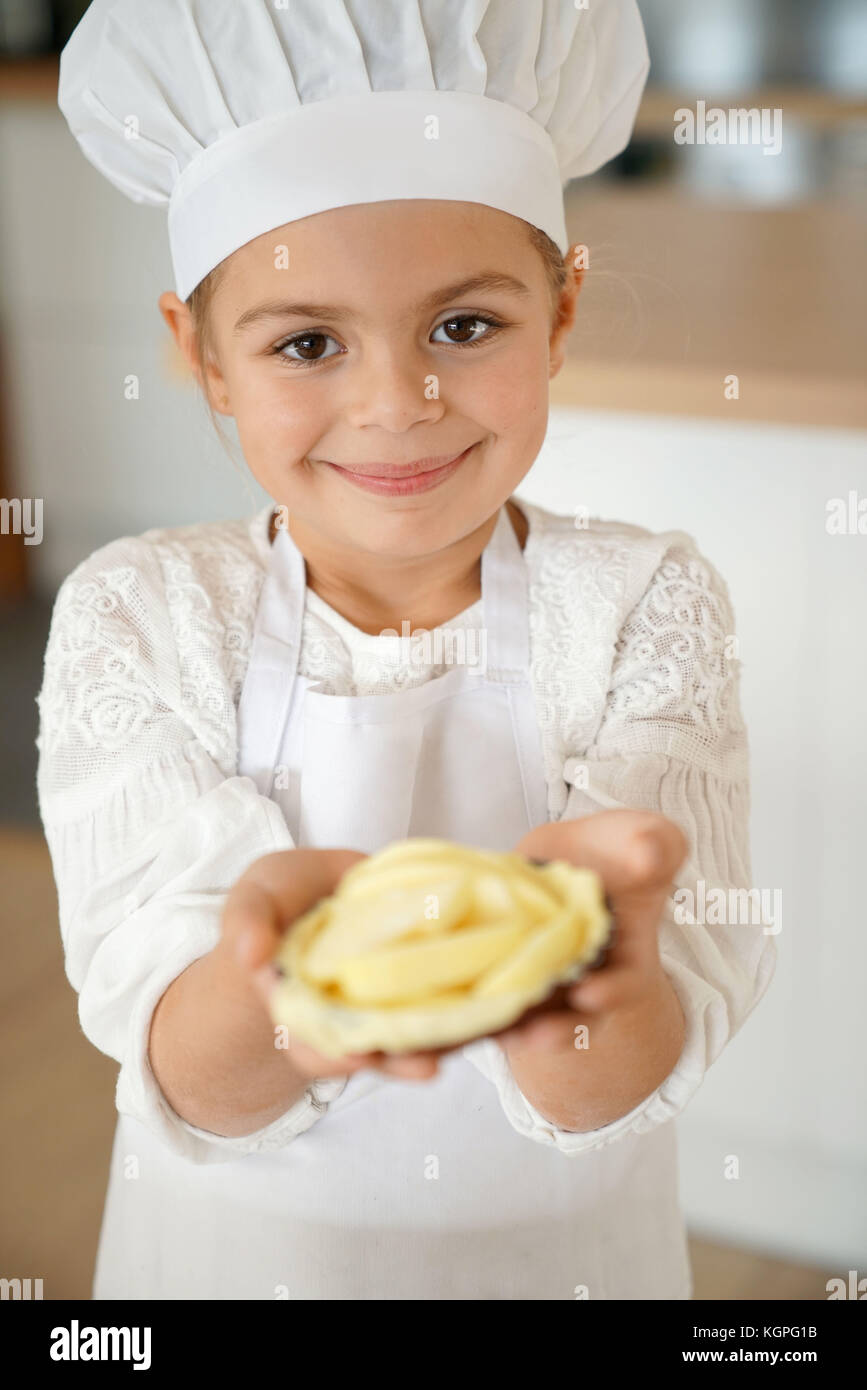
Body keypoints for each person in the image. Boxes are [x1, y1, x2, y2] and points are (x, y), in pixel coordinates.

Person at [38, 0, 776, 1299]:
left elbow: (609, 1089)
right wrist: (274, 986)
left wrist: (595, 967)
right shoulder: (138, 617)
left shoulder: (645, 601)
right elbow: (197, 1087)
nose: (396, 404)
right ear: (199, 355)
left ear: (560, 313)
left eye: (464, 326)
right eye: (308, 342)